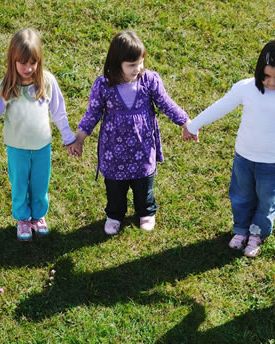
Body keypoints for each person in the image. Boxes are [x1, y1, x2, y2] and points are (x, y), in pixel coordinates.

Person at [182, 38, 275, 258]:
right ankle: (240, 230)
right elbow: (221, 106)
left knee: (267, 201)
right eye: (266, 75)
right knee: (241, 195)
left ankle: (257, 234)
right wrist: (193, 126)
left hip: (273, 163)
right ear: (259, 70)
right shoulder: (246, 88)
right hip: (244, 157)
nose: (271, 82)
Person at [70, 30, 189, 234]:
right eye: (131, 65)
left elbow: (165, 103)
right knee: (115, 186)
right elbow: (93, 113)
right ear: (117, 63)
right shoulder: (104, 85)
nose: (138, 68)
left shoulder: (149, 80)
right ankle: (115, 215)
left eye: (140, 62)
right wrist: (79, 139)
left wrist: (185, 122)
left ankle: (146, 211)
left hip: (142, 145)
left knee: (144, 182)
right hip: (113, 148)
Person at [0, 28, 77, 240]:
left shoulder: (47, 82)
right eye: (22, 63)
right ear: (12, 60)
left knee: (40, 183)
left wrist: (68, 138)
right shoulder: (6, 88)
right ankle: (23, 219)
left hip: (42, 147)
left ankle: (38, 216)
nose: (28, 68)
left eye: (33, 63)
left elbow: (59, 112)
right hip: (17, 149)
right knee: (19, 185)